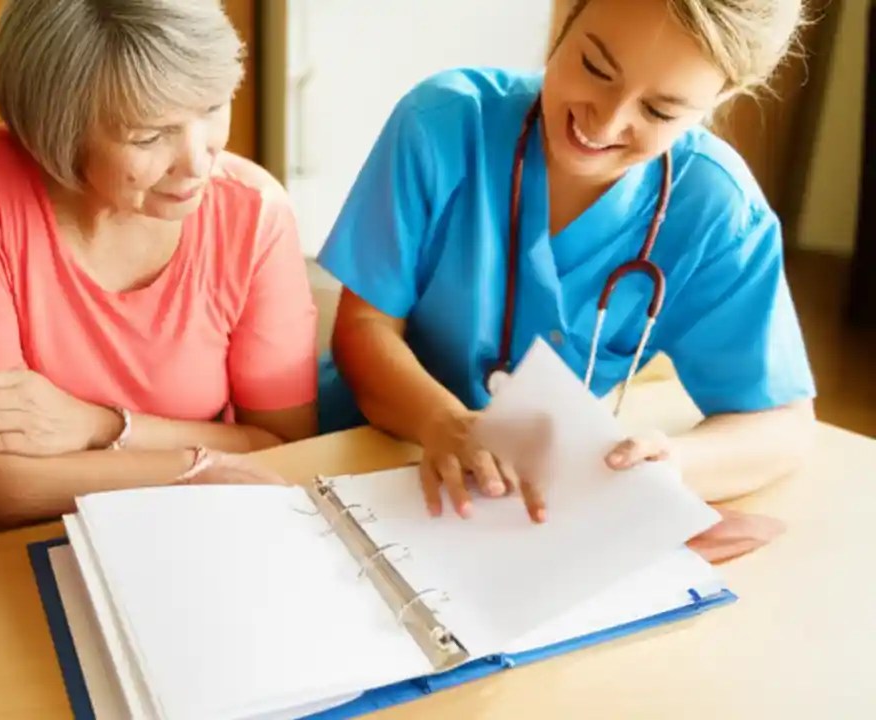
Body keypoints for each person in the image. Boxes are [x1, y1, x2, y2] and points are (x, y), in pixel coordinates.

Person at [318, 0, 817, 522]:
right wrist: (441, 422)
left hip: (530, 506)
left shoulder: (718, 211)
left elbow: (781, 424)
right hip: (368, 455)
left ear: (721, 98)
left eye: (660, 111)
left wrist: (675, 462)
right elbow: (364, 328)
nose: (606, 121)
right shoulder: (443, 125)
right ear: (566, 17)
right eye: (595, 68)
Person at [0, 0, 319, 526]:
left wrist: (101, 427)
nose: (199, 161)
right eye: (149, 136)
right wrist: (197, 466)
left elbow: (284, 449)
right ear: (57, 131)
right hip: (36, 545)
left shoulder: (255, 214)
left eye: (212, 108)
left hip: (212, 527)